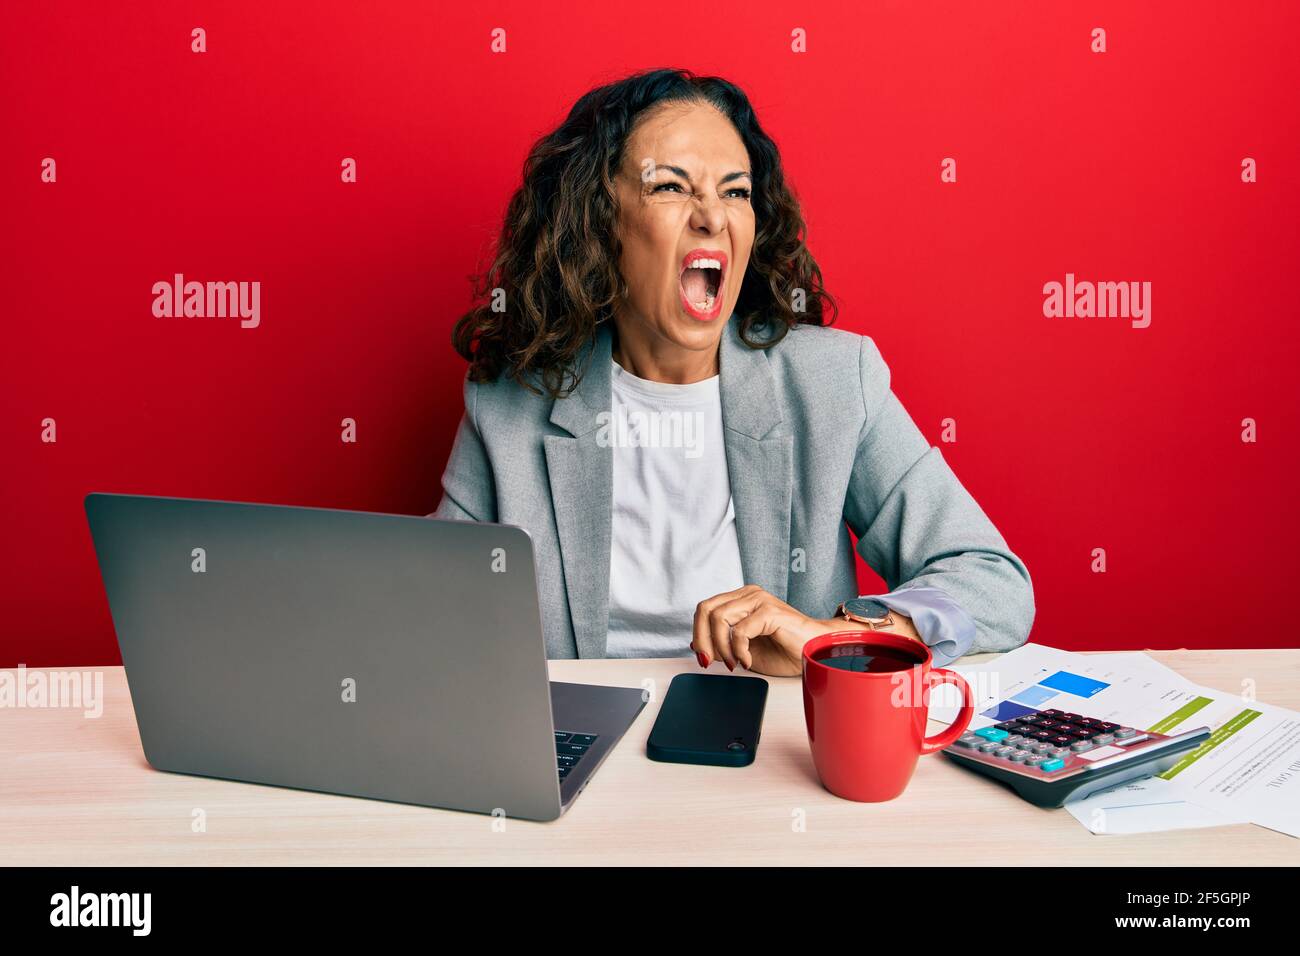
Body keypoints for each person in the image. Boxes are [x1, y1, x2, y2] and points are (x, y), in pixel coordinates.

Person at [433, 67, 1034, 677]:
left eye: (736, 192)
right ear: (598, 221)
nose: (712, 218)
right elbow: (433, 617)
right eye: (670, 187)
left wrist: (830, 640)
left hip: (773, 750)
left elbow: (993, 581)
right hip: (583, 749)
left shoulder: (832, 383)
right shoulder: (509, 402)